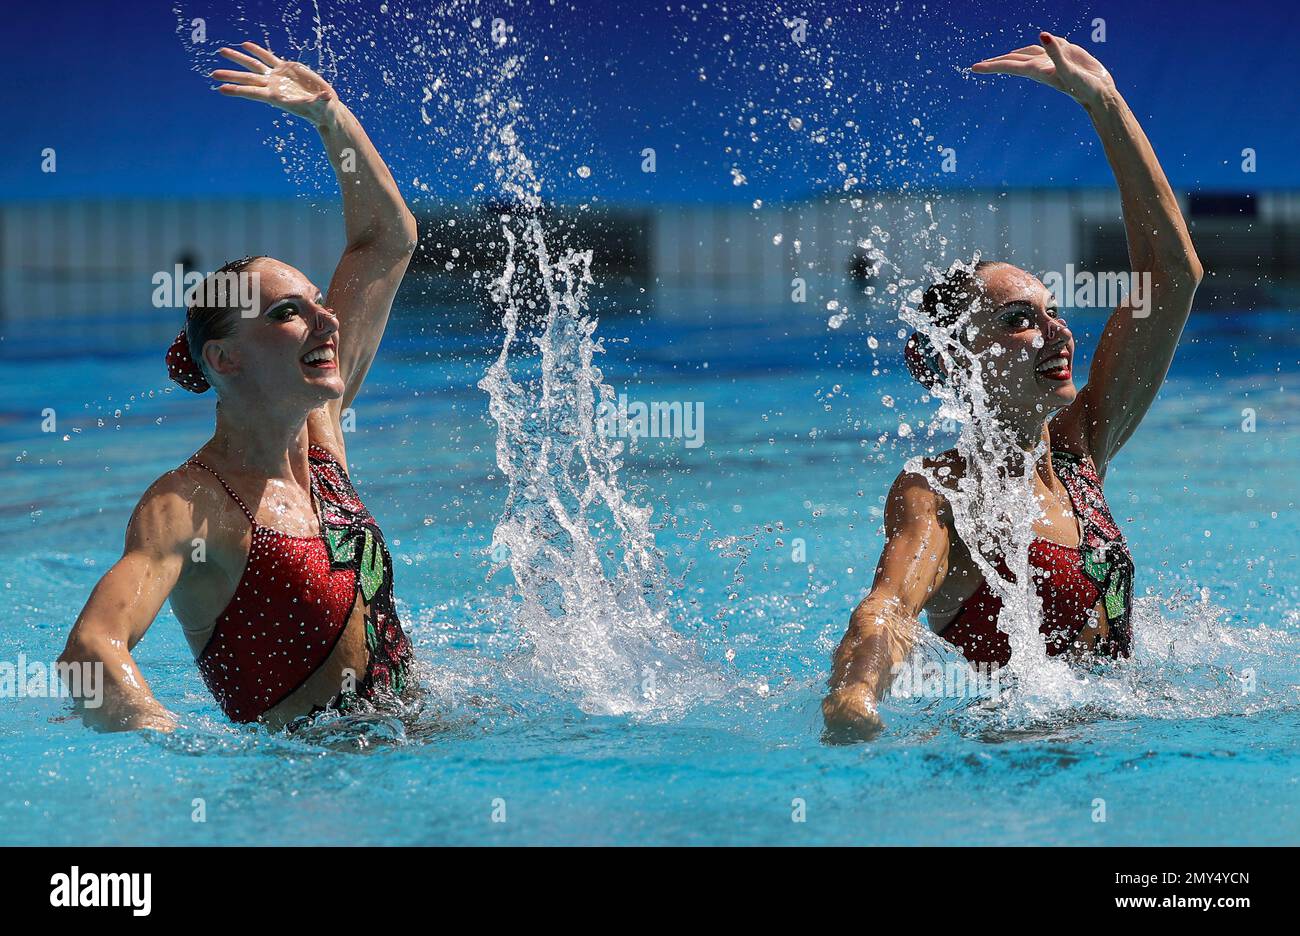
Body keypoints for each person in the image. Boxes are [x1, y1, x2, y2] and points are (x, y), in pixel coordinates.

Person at [822, 32, 1203, 742]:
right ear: (950, 360)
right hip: (1010, 773)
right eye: (1019, 320)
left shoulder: (1080, 449)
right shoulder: (940, 494)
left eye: (1054, 311)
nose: (1058, 333)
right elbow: (889, 610)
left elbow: (1172, 277)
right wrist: (854, 695)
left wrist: (1105, 103)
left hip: (1120, 749)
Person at [59, 42, 419, 731]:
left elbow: (386, 241)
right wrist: (180, 749)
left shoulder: (321, 433)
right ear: (225, 359)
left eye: (319, 300)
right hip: (313, 804)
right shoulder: (189, 506)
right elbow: (87, 654)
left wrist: (330, 118)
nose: (327, 318)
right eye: (289, 312)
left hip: (418, 751)